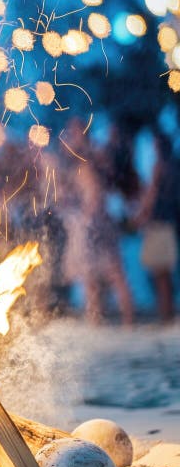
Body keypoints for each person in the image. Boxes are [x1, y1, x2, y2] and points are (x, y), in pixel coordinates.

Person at [61, 119, 133, 327]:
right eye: (71, 131)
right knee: (89, 275)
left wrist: (91, 213)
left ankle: (128, 322)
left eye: (75, 130)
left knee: (114, 272)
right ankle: (95, 320)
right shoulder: (76, 155)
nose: (72, 134)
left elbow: (103, 184)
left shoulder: (94, 153)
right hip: (86, 221)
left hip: (99, 221)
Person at [133, 134, 177, 323]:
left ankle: (166, 315)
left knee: (159, 275)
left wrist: (140, 218)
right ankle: (168, 313)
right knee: (165, 274)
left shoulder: (159, 168)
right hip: (169, 224)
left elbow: (151, 196)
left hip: (157, 225)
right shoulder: (173, 167)